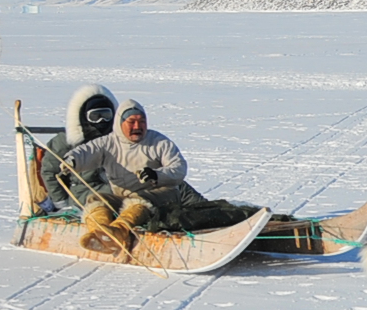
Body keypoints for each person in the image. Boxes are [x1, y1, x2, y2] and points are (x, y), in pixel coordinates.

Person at [61, 98, 257, 255]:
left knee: (140, 201)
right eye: (132, 122)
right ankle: (101, 231)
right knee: (96, 199)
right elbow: (85, 152)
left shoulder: (159, 142)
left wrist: (157, 175)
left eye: (141, 121)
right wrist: (71, 161)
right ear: (120, 124)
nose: (137, 126)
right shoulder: (107, 143)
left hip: (161, 194)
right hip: (123, 195)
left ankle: (119, 230)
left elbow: (179, 168)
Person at [37, 83, 117, 209]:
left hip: (115, 190)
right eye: (95, 116)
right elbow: (50, 171)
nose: (102, 121)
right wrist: (61, 202)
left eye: (106, 116)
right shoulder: (67, 140)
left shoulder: (118, 140)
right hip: (82, 195)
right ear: (84, 116)